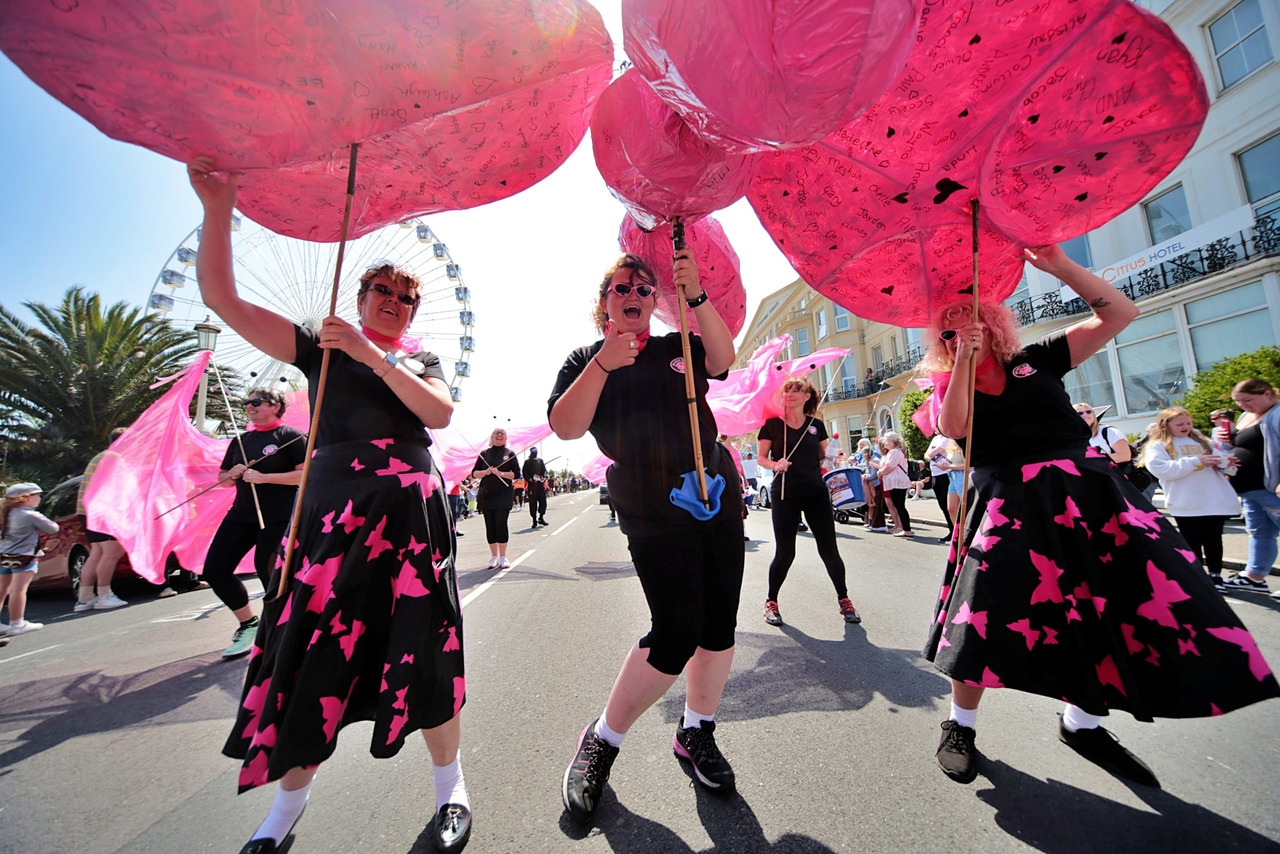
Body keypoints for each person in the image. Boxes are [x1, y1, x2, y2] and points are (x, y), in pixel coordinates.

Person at [189, 159, 472, 854]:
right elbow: (222, 298)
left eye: (405, 298)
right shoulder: (318, 347)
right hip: (330, 522)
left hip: (410, 524)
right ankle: (286, 809)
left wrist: (376, 356)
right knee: (309, 656)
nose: (393, 302)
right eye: (382, 291)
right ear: (361, 294)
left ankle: (451, 789)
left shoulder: (419, 363)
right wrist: (218, 208)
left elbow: (437, 413)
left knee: (426, 651)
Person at [923, 244, 1278, 789]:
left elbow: (1119, 314)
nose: (957, 331)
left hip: (1089, 497)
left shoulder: (1039, 357)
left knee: (1106, 604)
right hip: (1008, 507)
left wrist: (1060, 267)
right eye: (946, 330)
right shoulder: (949, 385)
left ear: (992, 321)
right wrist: (964, 361)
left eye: (967, 319)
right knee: (982, 616)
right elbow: (954, 429)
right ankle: (960, 725)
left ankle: (1082, 723)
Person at [549, 250, 744, 825]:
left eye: (643, 287)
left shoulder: (676, 346)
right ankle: (602, 740)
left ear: (655, 300)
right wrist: (603, 364)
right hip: (651, 505)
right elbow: (566, 425)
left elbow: (723, 358)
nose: (633, 294)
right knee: (676, 631)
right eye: (621, 287)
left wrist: (696, 295)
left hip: (714, 492)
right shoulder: (585, 359)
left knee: (718, 626)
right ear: (604, 302)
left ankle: (696, 732)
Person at [205, 388, 306, 659]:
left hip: (280, 515)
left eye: (256, 402)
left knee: (268, 571)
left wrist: (265, 478)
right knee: (215, 569)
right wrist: (233, 474)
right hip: (241, 514)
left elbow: (305, 475)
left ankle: (283, 631)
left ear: (276, 406)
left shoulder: (291, 436)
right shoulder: (240, 441)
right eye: (246, 403)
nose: (249, 406)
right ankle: (249, 624)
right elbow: (223, 480)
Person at [757, 377, 860, 627]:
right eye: (787, 390)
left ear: (806, 397)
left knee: (829, 550)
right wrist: (775, 464)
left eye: (796, 390)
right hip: (785, 494)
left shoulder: (816, 425)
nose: (790, 394)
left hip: (816, 493)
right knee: (785, 553)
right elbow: (761, 458)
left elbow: (824, 457)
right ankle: (771, 602)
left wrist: (834, 456)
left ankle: (844, 599)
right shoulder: (772, 425)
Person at [1143, 407, 1240, 591]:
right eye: (1180, 424)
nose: (1185, 426)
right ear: (1166, 425)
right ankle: (1196, 576)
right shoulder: (1158, 445)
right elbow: (1162, 469)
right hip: (1185, 502)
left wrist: (1226, 463)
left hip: (1213, 499)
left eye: (1188, 423)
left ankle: (1215, 575)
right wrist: (1195, 461)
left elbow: (1222, 463)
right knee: (1191, 540)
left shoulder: (1202, 440)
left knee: (1214, 539)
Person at [1215, 379, 1280, 595]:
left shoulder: (1277, 413)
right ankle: (1254, 577)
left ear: (1267, 394)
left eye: (1247, 400)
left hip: (1271, 488)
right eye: (1238, 401)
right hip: (1251, 489)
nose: (1242, 405)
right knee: (1259, 533)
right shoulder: (1246, 416)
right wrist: (1228, 439)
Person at [75, 427, 130, 612]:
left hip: (87, 510)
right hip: (102, 510)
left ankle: (85, 598)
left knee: (97, 553)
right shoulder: (115, 458)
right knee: (112, 552)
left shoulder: (102, 456)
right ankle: (104, 594)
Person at [0, 483, 59, 637]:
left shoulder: (5, 513)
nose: (39, 498)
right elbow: (53, 528)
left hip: (3, 555)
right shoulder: (30, 515)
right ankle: (17, 623)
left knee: (2, 589)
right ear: (27, 498)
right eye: (38, 495)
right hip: (24, 556)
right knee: (18, 589)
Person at [472, 428, 520, 568]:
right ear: (492, 437)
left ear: (506, 438)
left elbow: (516, 474)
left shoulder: (510, 454)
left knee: (501, 523)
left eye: (502, 434)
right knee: (490, 525)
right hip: (486, 494)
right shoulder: (484, 454)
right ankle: (494, 557)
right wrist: (485, 472)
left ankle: (503, 556)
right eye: (497, 433)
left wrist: (500, 473)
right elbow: (474, 473)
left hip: (503, 494)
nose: (499, 435)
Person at [876, 433, 914, 537]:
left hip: (897, 482)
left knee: (900, 506)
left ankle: (906, 529)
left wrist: (880, 472)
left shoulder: (895, 452)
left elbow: (890, 467)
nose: (884, 443)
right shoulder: (894, 452)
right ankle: (904, 528)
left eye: (886, 441)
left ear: (891, 441)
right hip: (895, 483)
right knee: (899, 506)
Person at [925, 433, 956, 542]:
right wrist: (931, 456)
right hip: (935, 475)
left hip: (945, 474)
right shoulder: (935, 438)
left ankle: (956, 531)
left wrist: (931, 456)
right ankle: (951, 530)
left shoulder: (948, 438)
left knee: (950, 506)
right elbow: (926, 455)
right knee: (943, 505)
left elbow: (932, 453)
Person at [854, 438, 888, 532]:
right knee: (873, 505)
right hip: (873, 485)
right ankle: (874, 524)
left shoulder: (874, 460)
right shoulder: (870, 460)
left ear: (866, 454)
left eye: (863, 455)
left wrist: (865, 478)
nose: (862, 456)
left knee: (877, 505)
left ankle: (879, 525)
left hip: (876, 485)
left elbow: (874, 475)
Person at [523, 447, 549, 528]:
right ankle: (534, 520)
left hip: (540, 485)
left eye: (535, 451)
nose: (535, 453)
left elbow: (545, 471)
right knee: (533, 503)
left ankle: (541, 517)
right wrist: (530, 479)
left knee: (543, 502)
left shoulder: (540, 461)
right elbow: (524, 473)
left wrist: (544, 477)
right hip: (532, 486)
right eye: (533, 452)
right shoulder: (527, 462)